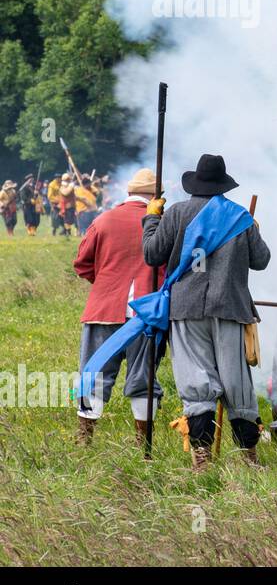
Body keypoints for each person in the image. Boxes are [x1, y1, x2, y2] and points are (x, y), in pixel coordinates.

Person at [142, 153, 271, 469]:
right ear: (223, 185)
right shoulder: (240, 217)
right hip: (229, 307)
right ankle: (248, 457)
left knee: (196, 382)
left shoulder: (175, 213)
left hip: (186, 308)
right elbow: (262, 259)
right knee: (237, 382)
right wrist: (254, 228)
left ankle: (201, 459)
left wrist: (151, 219)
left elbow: (151, 253)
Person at [72, 168, 162, 447]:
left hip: (105, 309)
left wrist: (106, 285)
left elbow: (83, 263)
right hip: (148, 313)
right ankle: (142, 444)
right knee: (143, 379)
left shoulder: (104, 219)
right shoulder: (163, 222)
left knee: (94, 373)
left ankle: (84, 440)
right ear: (155, 197)